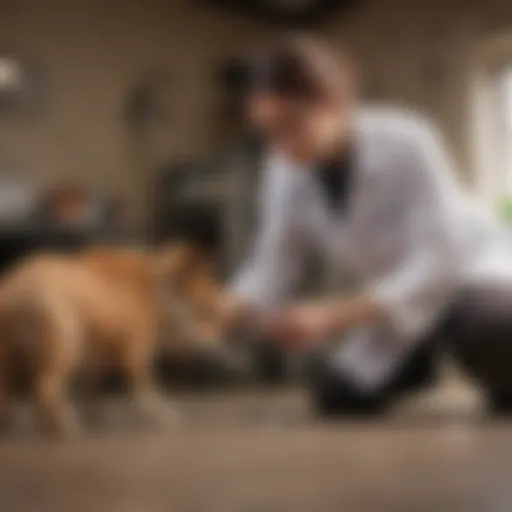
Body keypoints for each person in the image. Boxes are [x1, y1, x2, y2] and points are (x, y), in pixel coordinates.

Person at [221, 34, 512, 416]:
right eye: (269, 131)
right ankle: (419, 361)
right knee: (338, 396)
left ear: (335, 100)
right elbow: (275, 260)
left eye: (290, 124)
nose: (281, 145)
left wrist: (332, 317)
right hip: (395, 299)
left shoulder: (408, 139)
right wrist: (225, 308)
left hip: (469, 276)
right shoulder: (283, 167)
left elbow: (441, 260)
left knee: (490, 329)